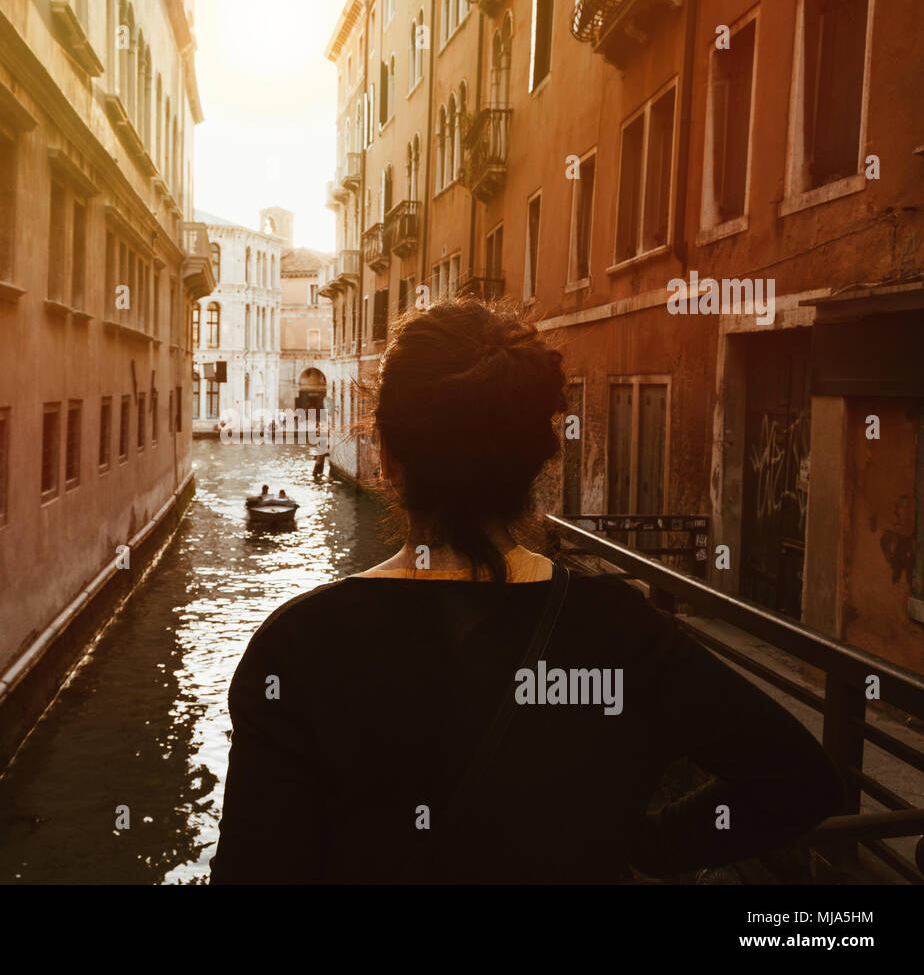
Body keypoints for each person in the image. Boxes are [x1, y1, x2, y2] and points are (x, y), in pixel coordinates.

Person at [211, 297, 842, 883]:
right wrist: (645, 849)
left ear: (386, 458)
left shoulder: (296, 648)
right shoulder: (621, 631)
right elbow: (800, 778)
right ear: (536, 465)